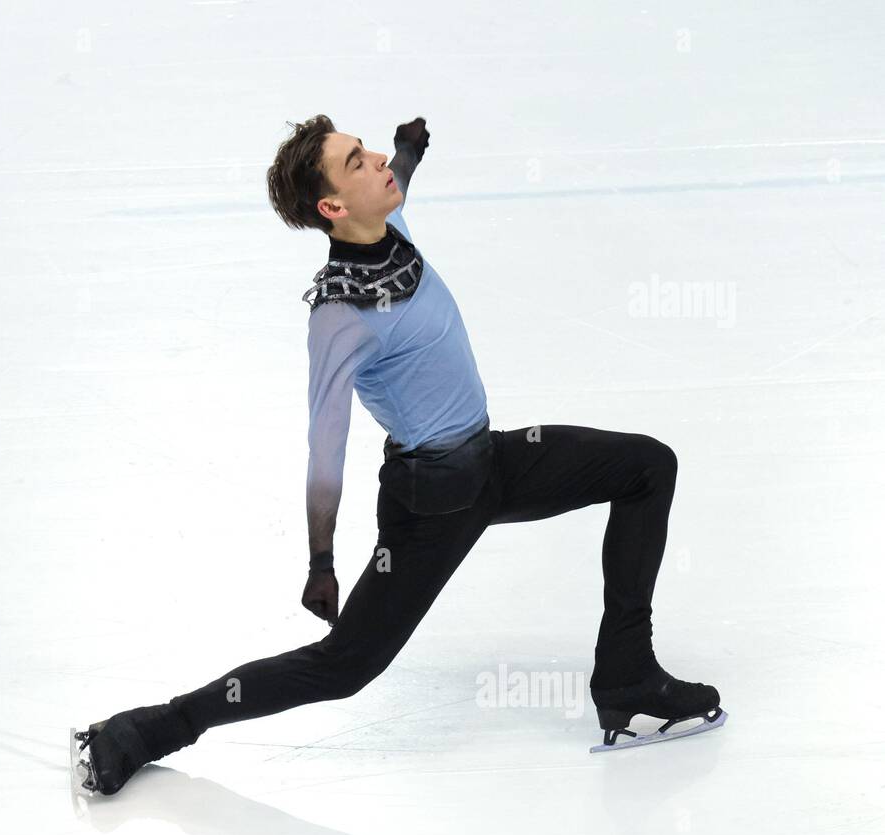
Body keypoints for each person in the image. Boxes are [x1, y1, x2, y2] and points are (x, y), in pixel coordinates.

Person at [72, 115, 724, 796]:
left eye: (371, 152)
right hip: (432, 505)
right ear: (332, 208)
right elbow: (325, 449)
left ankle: (626, 675)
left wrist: (409, 149)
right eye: (358, 161)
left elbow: (398, 181)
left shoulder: (387, 228)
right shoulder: (339, 317)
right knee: (342, 667)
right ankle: (150, 729)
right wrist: (322, 561)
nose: (379, 161)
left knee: (648, 466)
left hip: (494, 464)